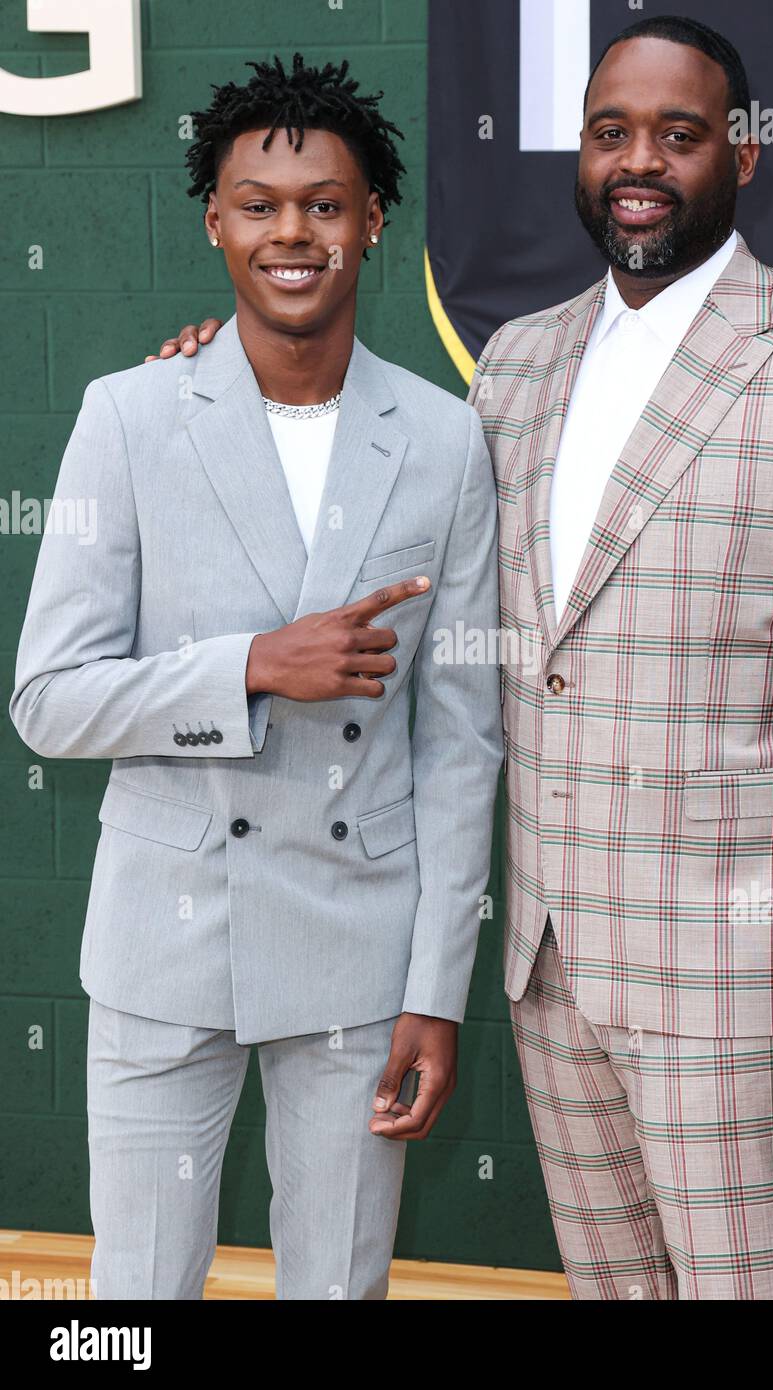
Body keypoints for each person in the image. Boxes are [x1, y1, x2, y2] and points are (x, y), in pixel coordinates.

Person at [142, 18, 773, 1300]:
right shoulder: (514, 368)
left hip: (741, 984)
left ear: (743, 157)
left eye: (677, 136)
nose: (640, 161)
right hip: (553, 970)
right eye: (610, 133)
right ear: (578, 155)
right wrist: (217, 372)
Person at [9, 52, 502, 1301]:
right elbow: (49, 696)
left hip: (358, 951)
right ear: (215, 219)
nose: (294, 232)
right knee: (133, 1302)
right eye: (261, 203)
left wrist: (435, 992)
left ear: (374, 219)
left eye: (326, 203)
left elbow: (462, 741)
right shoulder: (126, 414)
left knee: (339, 1288)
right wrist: (251, 669)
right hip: (162, 952)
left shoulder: (444, 439)